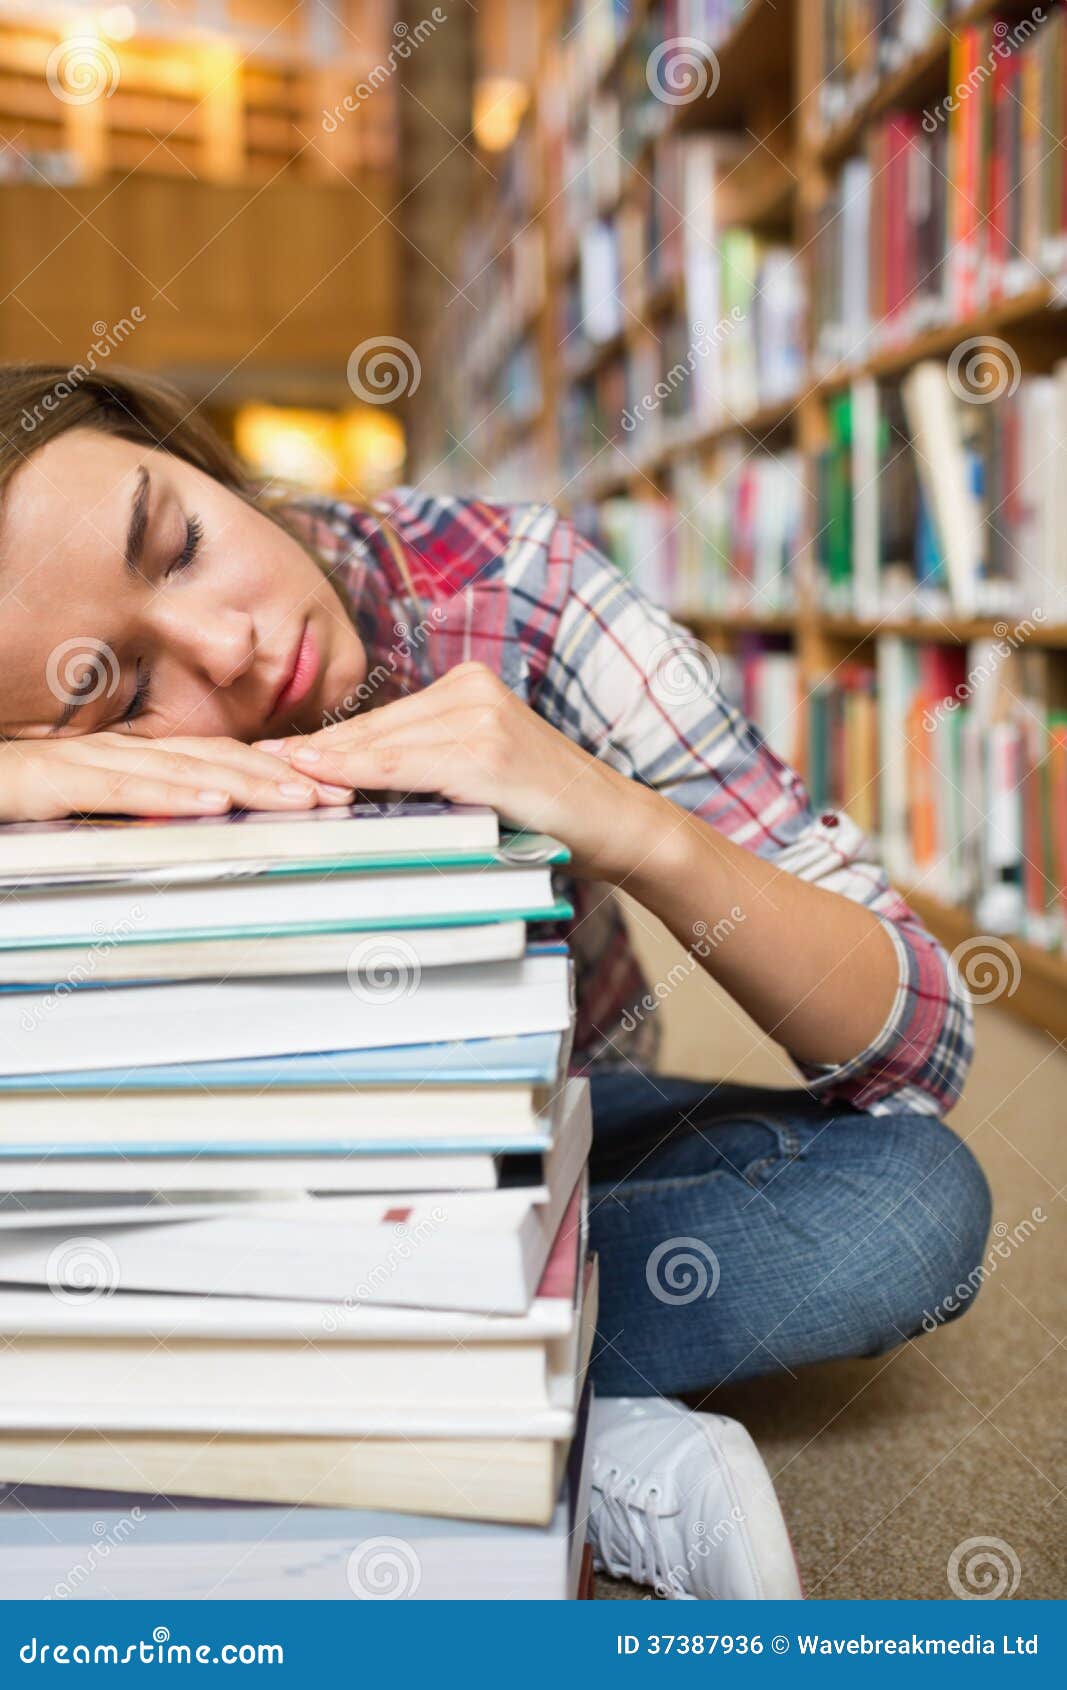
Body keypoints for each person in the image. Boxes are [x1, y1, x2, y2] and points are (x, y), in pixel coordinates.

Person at [0, 365, 991, 1600]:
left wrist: (628, 824)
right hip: (204, 1208)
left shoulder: (516, 586)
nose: (234, 648)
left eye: (181, 541)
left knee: (908, 1208)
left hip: (534, 1148)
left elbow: (920, 1040)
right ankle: (566, 1412)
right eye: (122, 691)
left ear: (193, 456)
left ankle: (379, 1404)